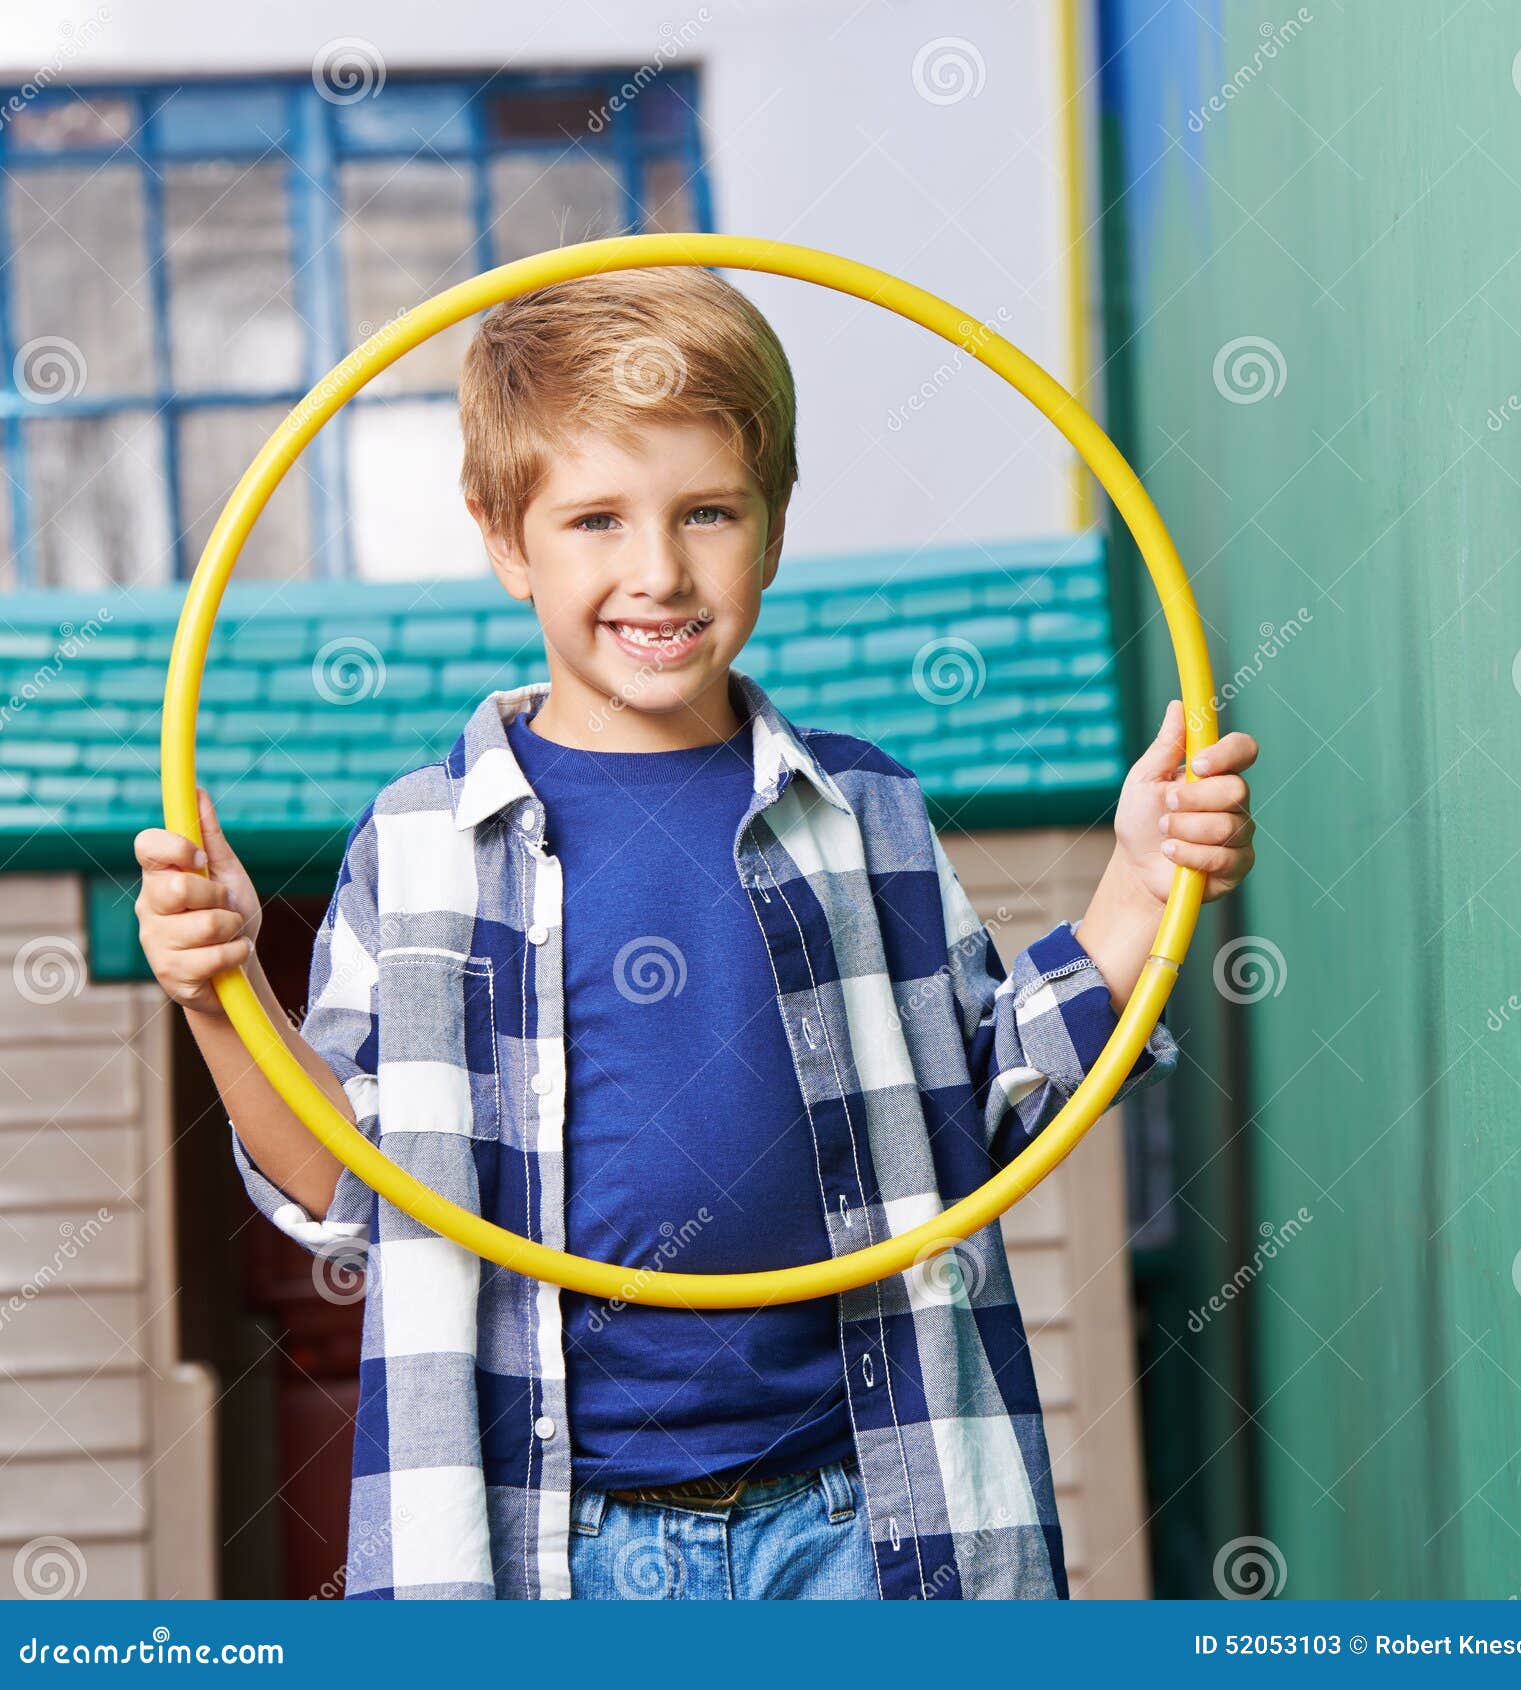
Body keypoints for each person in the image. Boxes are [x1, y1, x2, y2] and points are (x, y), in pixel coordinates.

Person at [134, 266, 1258, 1600]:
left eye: (707, 511)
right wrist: (216, 998)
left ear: (772, 528)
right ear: (506, 537)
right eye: (596, 518)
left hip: (864, 1510)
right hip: (555, 1542)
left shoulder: (865, 814)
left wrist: (1138, 884)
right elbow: (340, 1180)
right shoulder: (424, 844)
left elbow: (994, 1099)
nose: (657, 570)